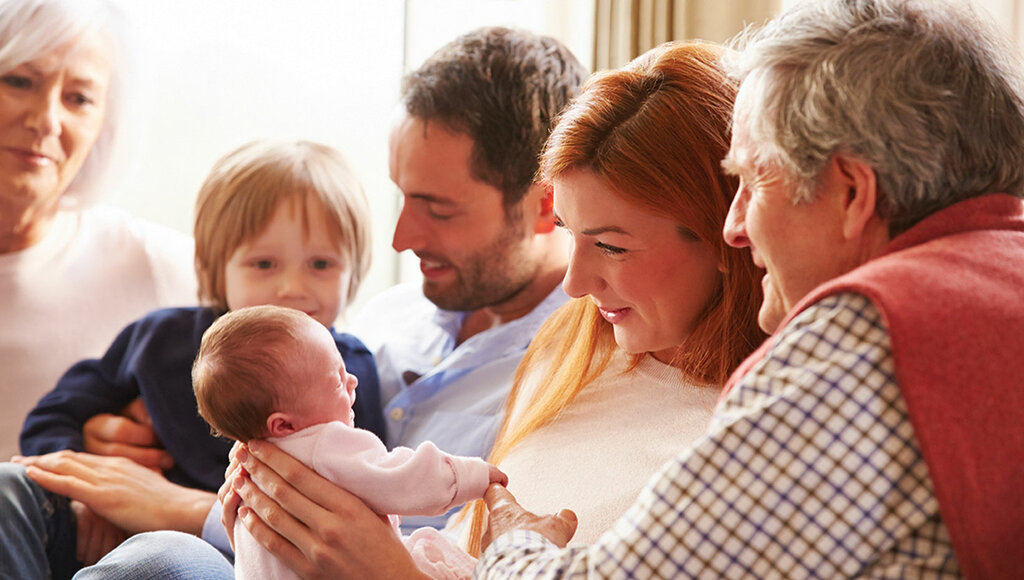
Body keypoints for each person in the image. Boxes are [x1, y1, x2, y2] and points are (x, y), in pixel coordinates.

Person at [471, 0, 1024, 577]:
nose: (733, 227)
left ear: (853, 195)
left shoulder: (861, 341)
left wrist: (514, 543)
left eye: (754, 182)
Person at [11, 25, 587, 578]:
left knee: (157, 561)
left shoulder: (572, 375)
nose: (400, 239)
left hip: (236, 555)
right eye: (402, 198)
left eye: (438, 209)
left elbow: (429, 542)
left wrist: (177, 508)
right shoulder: (395, 314)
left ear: (546, 206)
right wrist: (96, 444)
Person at [4, 138, 384, 578]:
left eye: (321, 264)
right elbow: (53, 416)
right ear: (214, 267)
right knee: (6, 487)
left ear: (354, 271)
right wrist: (87, 493)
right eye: (264, 264)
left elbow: (364, 490)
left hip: (233, 557)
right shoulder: (161, 338)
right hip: (102, 532)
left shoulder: (352, 369)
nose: (292, 288)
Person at [454, 40, 765, 553]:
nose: (573, 285)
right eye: (566, 230)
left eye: (611, 246)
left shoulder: (747, 438)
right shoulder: (570, 349)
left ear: (727, 232)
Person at [0, 0, 196, 461]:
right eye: (19, 81)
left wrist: (153, 430)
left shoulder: (159, 267)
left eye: (79, 98)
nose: (46, 119)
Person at [194, 305, 507, 580]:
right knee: (432, 553)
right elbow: (404, 480)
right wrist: (470, 477)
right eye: (336, 379)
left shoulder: (248, 466)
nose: (353, 381)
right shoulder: (326, 444)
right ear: (284, 424)